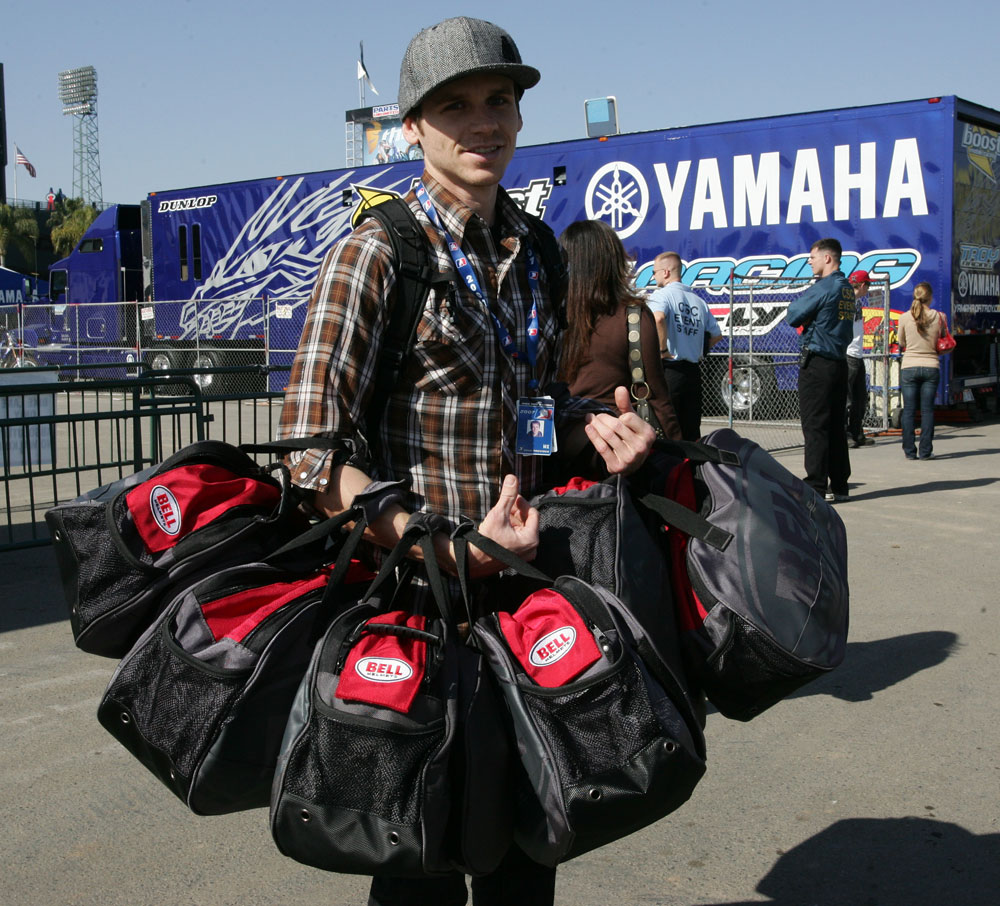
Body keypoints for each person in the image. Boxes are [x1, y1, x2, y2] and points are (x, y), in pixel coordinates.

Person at [276, 17, 655, 906]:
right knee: (423, 866)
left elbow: (525, 407)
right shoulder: (378, 250)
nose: (484, 125)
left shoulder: (531, 253)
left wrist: (593, 428)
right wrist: (438, 546)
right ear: (412, 126)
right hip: (414, 604)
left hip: (521, 599)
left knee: (531, 846)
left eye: (500, 102)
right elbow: (307, 448)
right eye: (455, 107)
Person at [557, 220, 682, 442]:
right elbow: (656, 396)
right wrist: (679, 458)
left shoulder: (549, 315)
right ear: (612, 261)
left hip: (557, 446)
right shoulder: (632, 315)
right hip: (617, 446)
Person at [786, 238, 855, 502]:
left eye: (812, 256)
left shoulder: (825, 286)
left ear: (827, 258)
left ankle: (815, 486)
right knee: (836, 426)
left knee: (815, 425)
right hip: (839, 362)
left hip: (818, 363)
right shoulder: (847, 287)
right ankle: (840, 484)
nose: (809, 261)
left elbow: (794, 314)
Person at [646, 251, 722, 440]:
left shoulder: (661, 295)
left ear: (665, 272)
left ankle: (671, 469)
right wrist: (699, 350)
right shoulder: (699, 301)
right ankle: (691, 468)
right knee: (691, 431)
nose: (653, 276)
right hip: (693, 373)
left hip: (670, 370)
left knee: (666, 429)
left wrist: (662, 350)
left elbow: (658, 318)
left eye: (654, 272)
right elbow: (717, 335)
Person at [896, 281, 944, 460]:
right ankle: (925, 451)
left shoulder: (904, 317)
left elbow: (901, 342)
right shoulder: (938, 317)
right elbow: (943, 339)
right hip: (931, 365)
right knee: (927, 410)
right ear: (930, 297)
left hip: (909, 366)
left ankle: (909, 451)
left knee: (909, 410)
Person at [845, 270, 871, 447]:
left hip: (857, 355)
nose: (868, 289)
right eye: (868, 285)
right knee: (846, 399)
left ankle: (857, 432)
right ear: (862, 285)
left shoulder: (857, 302)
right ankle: (844, 435)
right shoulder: (846, 302)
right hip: (848, 355)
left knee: (860, 398)